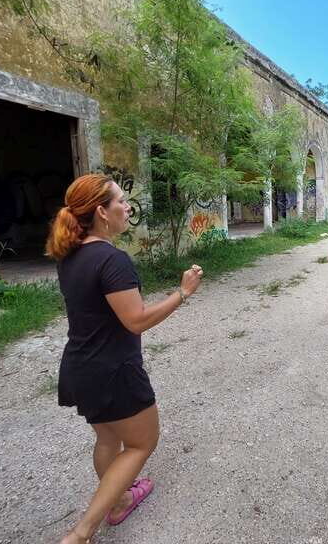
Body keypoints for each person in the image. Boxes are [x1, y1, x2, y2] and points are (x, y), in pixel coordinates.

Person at [46, 174, 203, 544]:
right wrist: (183, 293)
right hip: (113, 371)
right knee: (140, 443)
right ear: (101, 212)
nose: (127, 206)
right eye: (120, 201)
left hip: (80, 367)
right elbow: (136, 320)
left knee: (108, 439)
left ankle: (117, 503)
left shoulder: (70, 254)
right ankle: (81, 533)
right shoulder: (112, 260)